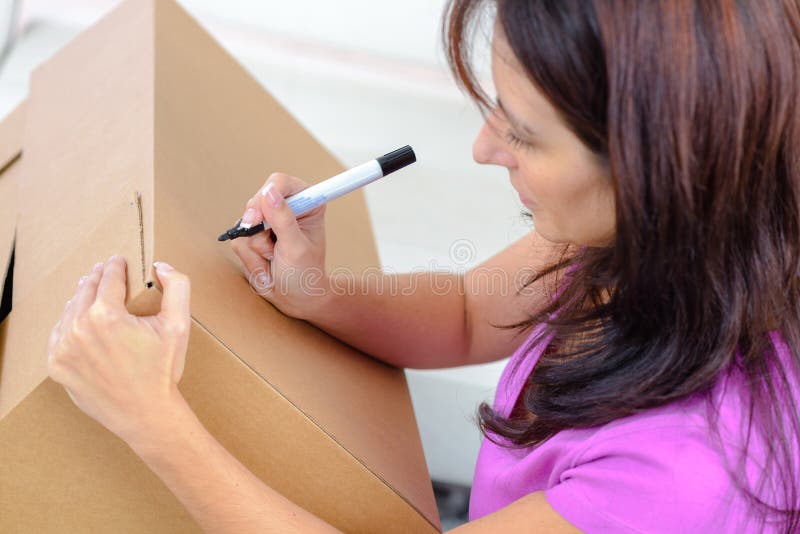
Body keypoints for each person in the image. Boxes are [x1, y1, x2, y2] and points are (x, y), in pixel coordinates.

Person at [44, 0, 800, 532]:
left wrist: (154, 425)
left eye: (526, 136)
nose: (483, 148)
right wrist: (318, 294)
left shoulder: (684, 478)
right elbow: (473, 311)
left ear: (658, 174)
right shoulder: (634, 243)